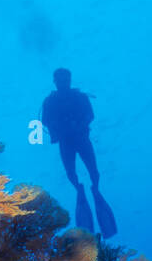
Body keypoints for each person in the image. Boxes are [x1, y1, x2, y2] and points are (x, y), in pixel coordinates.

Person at [40, 68, 117, 237]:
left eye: (65, 78)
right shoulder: (50, 102)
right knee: (71, 173)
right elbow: (44, 121)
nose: (62, 81)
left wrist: (77, 124)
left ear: (69, 79)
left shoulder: (79, 97)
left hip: (81, 139)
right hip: (67, 141)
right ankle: (80, 190)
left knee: (92, 171)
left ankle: (94, 190)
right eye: (60, 79)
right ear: (55, 81)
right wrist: (60, 127)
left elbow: (91, 115)